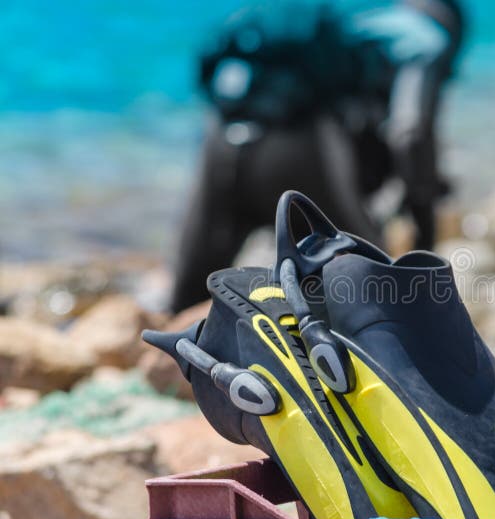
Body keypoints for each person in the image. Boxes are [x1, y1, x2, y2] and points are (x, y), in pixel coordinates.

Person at [169, 0, 465, 312]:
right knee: (379, 294)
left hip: (223, 139)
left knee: (192, 301)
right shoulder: (425, 39)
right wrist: (424, 236)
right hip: (298, 149)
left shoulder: (355, 21)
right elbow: (410, 133)